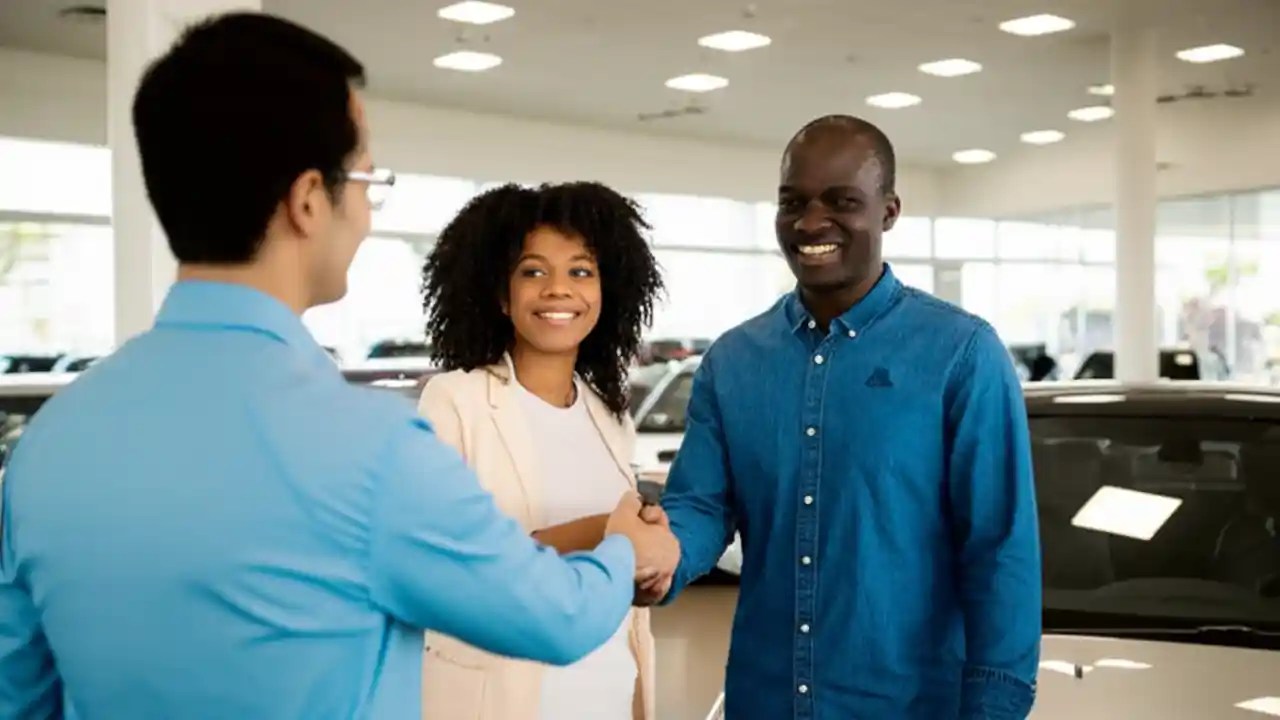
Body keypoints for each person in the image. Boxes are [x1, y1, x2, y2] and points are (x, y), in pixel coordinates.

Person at [0, 13, 665, 719]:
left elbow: (20, 696)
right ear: (310, 200)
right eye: (366, 181)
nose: (368, 213)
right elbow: (553, 618)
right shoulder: (371, 449)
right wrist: (622, 548)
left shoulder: (51, 442)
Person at [641, 115, 1042, 718]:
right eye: (792, 202)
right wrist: (658, 554)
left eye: (841, 201)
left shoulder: (960, 354)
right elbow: (703, 504)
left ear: (888, 211)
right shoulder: (733, 361)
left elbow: (999, 546)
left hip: (909, 704)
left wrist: (993, 707)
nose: (810, 223)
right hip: (763, 698)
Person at [417, 181, 669, 720]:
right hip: (503, 703)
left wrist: (645, 573)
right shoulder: (455, 402)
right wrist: (611, 535)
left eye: (581, 271)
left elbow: (613, 569)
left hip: (608, 695)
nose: (559, 290)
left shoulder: (609, 415)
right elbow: (449, 566)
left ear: (607, 291)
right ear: (503, 296)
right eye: (534, 271)